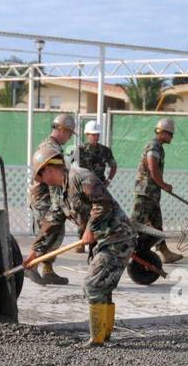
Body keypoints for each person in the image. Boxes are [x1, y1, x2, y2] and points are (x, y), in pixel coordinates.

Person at [25, 142, 135, 347]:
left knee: (92, 285)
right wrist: (35, 250)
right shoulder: (58, 191)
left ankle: (96, 340)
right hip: (101, 241)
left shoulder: (81, 177)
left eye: (40, 176)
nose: (40, 181)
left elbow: (103, 203)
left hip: (117, 236)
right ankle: (104, 336)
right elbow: (52, 220)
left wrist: (90, 228)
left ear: (48, 169)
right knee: (102, 287)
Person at [25, 114, 77, 286]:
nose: (69, 137)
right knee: (47, 233)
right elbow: (52, 180)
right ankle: (32, 265)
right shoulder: (50, 148)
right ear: (62, 130)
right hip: (45, 199)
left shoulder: (54, 147)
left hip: (49, 197)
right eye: (69, 133)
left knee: (55, 234)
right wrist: (63, 205)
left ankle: (47, 271)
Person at [132, 117, 183, 264]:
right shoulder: (154, 146)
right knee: (135, 223)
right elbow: (153, 168)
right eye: (170, 134)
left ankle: (164, 252)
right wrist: (164, 184)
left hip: (151, 193)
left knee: (156, 223)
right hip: (145, 192)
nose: (171, 137)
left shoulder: (158, 147)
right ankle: (119, 249)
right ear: (162, 133)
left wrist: (161, 186)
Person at [73, 120, 118, 237]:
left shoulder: (105, 150)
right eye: (93, 134)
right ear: (87, 135)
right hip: (84, 188)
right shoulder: (79, 150)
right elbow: (73, 169)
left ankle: (96, 239)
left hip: (99, 188)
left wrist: (109, 180)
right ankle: (81, 241)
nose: (96, 137)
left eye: (97, 134)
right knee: (83, 214)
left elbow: (113, 165)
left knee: (100, 213)